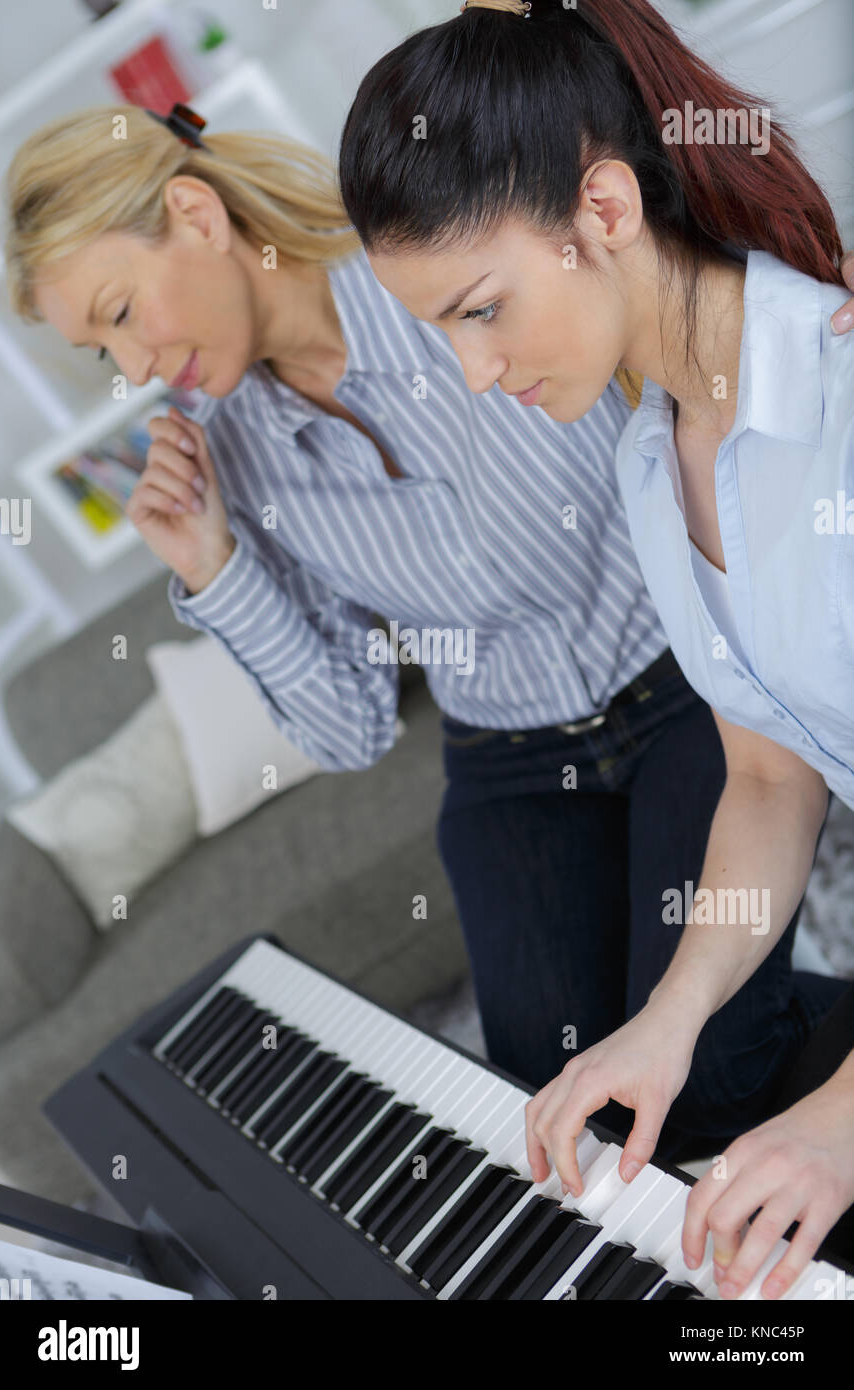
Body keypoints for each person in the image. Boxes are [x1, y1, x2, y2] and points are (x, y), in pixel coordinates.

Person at [337, 0, 854, 1294]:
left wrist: (837, 1129)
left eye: (480, 307)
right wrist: (664, 1026)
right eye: (440, 330)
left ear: (604, 212)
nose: (470, 370)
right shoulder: (644, 462)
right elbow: (767, 777)